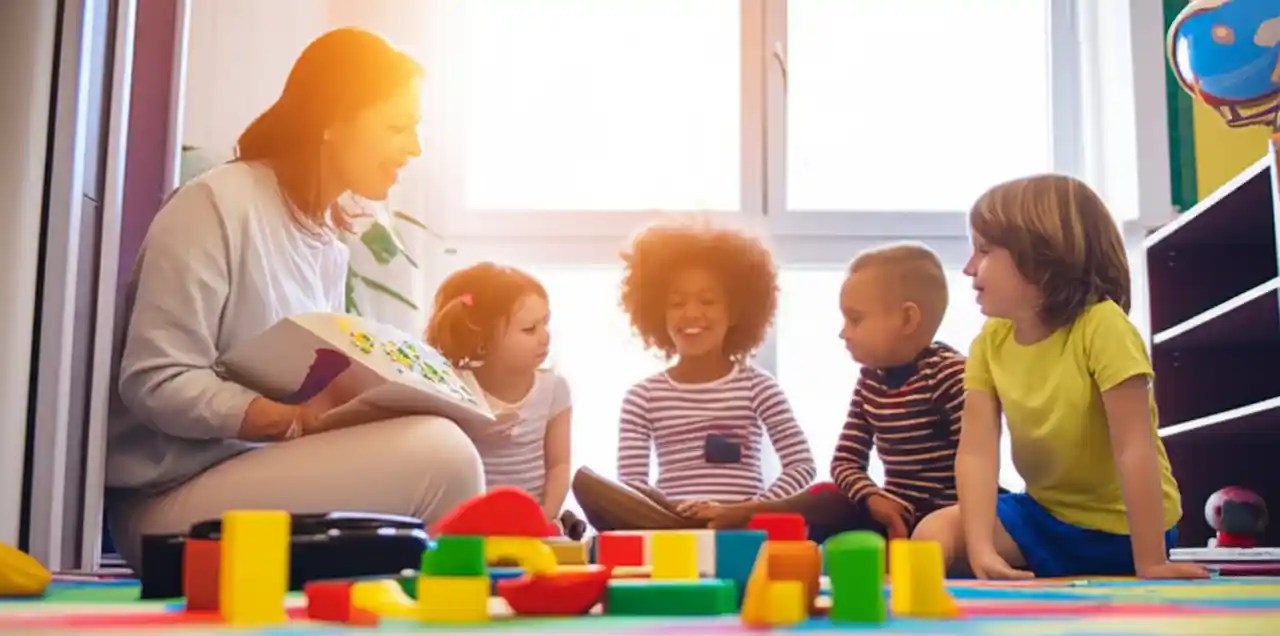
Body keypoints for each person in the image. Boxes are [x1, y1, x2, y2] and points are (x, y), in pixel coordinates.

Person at [105, 28, 484, 569]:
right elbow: (155, 380)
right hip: (166, 500)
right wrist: (283, 419)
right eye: (397, 126)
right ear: (333, 121)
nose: (413, 148)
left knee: (443, 449)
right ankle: (431, 625)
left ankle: (391, 619)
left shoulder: (326, 243)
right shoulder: (217, 203)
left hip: (252, 469)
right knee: (444, 458)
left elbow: (307, 388)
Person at [911, 174, 1209, 580]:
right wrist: (982, 551)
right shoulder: (989, 343)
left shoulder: (1103, 326)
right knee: (932, 532)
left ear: (1041, 257)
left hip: (1125, 532)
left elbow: (1134, 448)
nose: (967, 268)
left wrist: (1152, 561)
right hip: (1045, 519)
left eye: (983, 251)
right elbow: (977, 453)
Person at [703, 242, 967, 543]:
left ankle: (749, 514)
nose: (844, 332)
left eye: (855, 319)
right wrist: (872, 497)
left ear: (907, 319)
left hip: (950, 515)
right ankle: (755, 517)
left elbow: (978, 462)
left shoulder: (951, 375)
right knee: (827, 496)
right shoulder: (871, 380)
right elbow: (845, 461)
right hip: (893, 512)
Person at [572, 221, 816, 531]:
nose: (691, 313)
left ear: (736, 312)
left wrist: (748, 511)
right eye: (676, 303)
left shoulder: (758, 387)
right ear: (658, 314)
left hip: (739, 531)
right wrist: (677, 510)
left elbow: (801, 466)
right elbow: (632, 484)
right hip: (671, 528)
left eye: (708, 301)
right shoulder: (642, 397)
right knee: (588, 484)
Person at [424, 262, 584, 538]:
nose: (546, 337)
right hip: (471, 526)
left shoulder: (554, 389)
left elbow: (559, 465)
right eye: (530, 328)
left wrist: (545, 516)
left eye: (546, 322)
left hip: (534, 523)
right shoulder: (454, 386)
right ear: (483, 339)